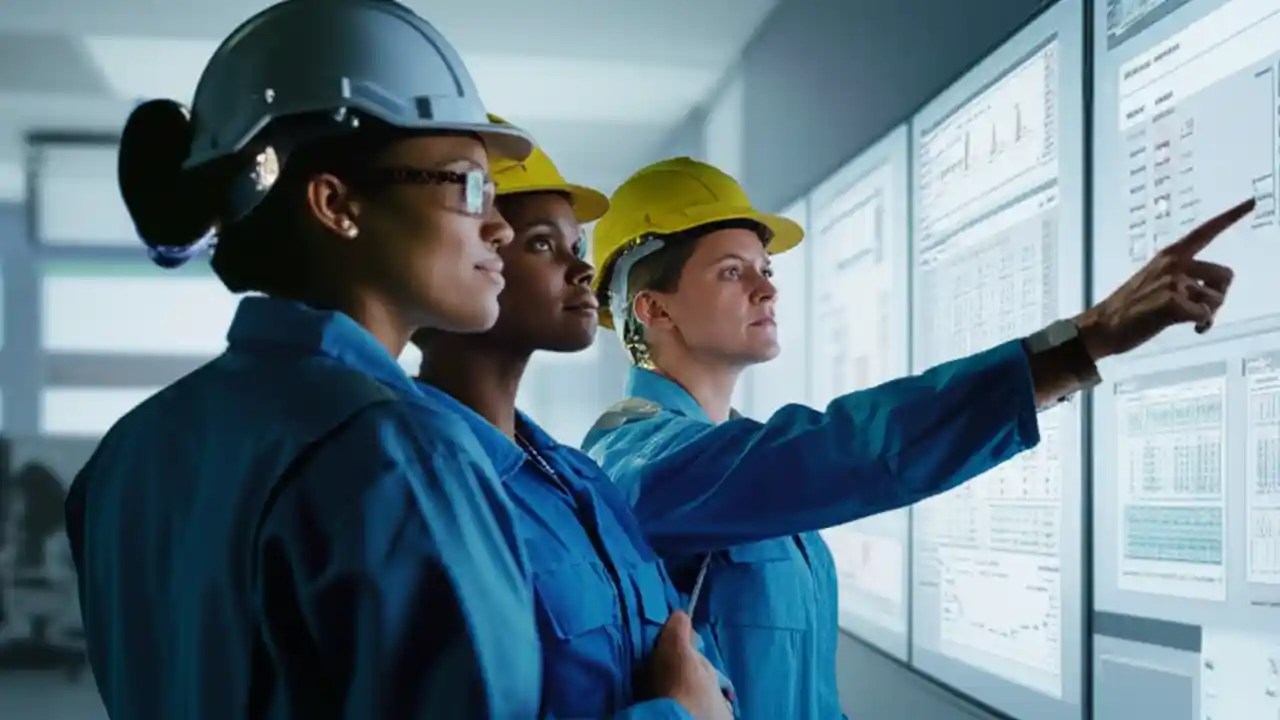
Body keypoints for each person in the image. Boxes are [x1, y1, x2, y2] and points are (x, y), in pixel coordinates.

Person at [581, 156, 1253, 718]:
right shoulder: (636, 464)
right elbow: (847, 448)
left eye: (767, 269)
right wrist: (1081, 342)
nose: (766, 289)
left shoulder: (734, 463)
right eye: (733, 271)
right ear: (653, 307)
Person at [62, 2, 547, 718]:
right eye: (467, 184)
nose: (500, 226)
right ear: (335, 203)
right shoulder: (403, 449)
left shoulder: (127, 455)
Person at [414, 117, 733, 720]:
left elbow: (692, 659)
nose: (582, 269)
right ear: (466, 251)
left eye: (577, 248)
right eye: (542, 244)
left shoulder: (577, 478)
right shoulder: (423, 486)